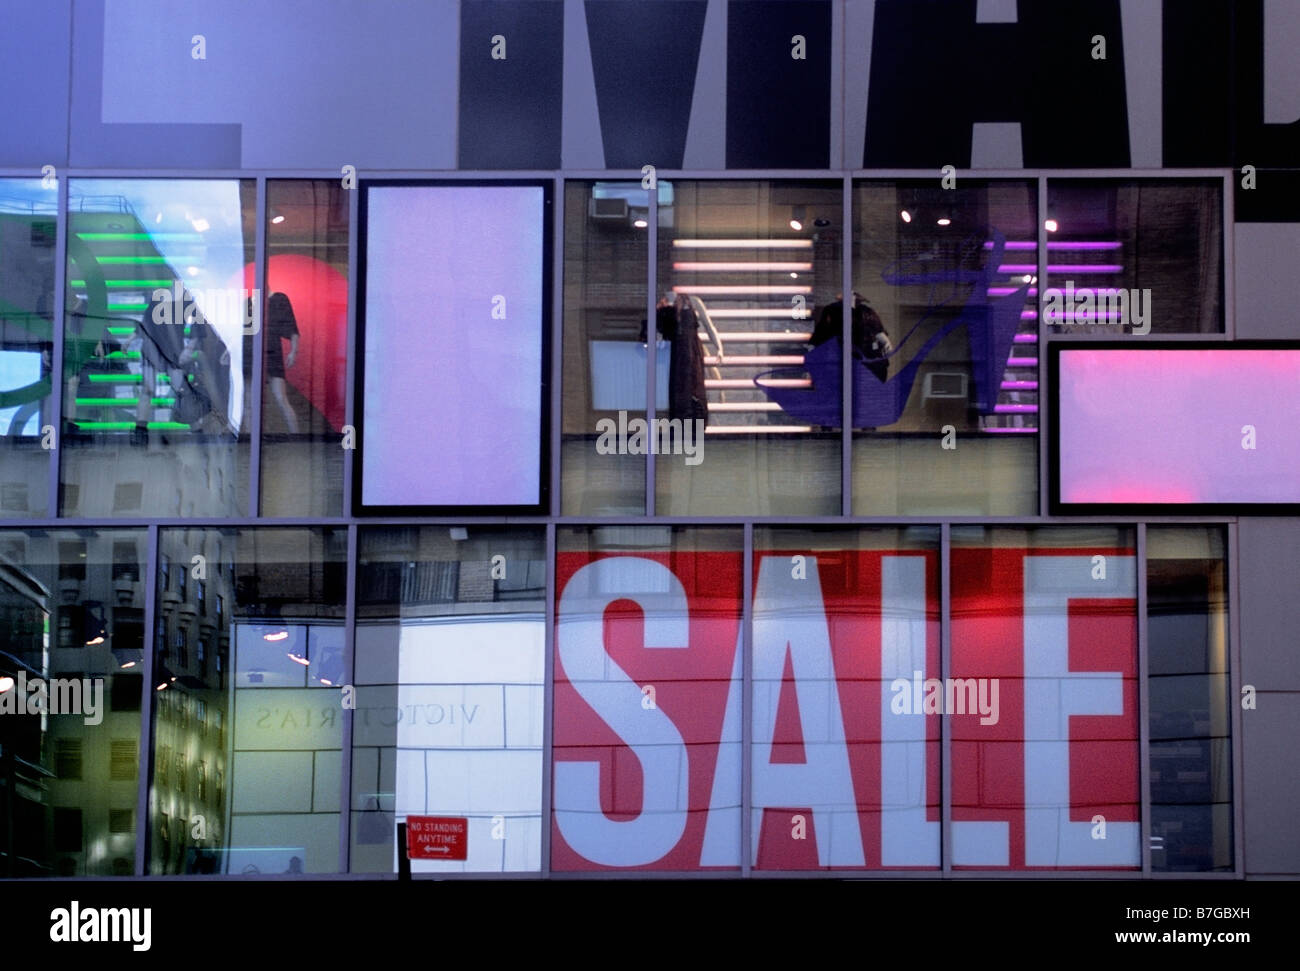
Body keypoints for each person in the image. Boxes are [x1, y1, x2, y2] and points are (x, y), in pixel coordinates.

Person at [264, 291, 300, 434]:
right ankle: (250, 440)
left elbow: (292, 327)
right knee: (249, 402)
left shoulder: (279, 299)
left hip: (272, 354)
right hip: (251, 353)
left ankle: (297, 439)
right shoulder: (250, 301)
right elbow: (242, 329)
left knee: (281, 398)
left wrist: (294, 351)